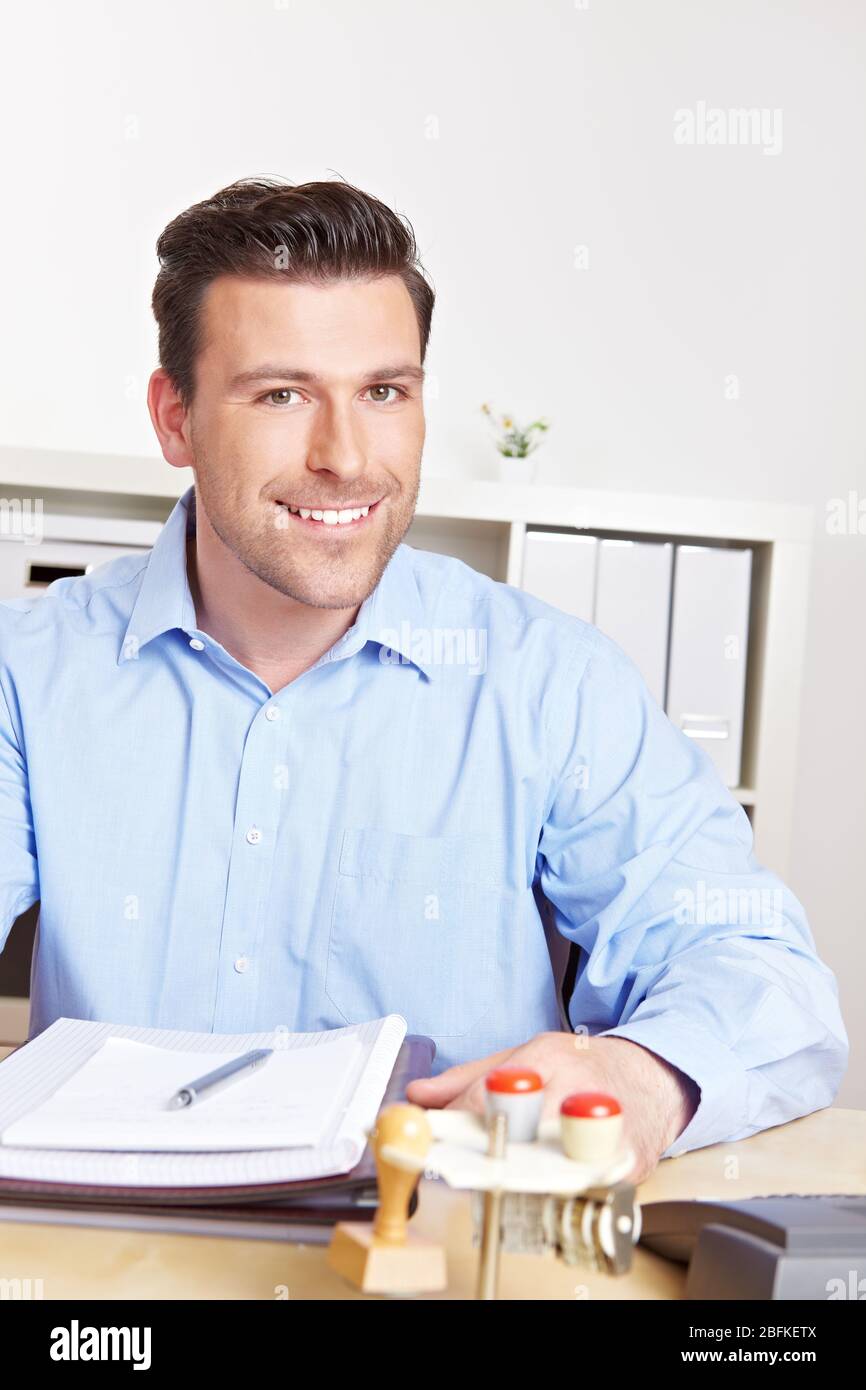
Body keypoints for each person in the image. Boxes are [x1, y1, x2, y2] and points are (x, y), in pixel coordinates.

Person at [0, 178, 847, 1182]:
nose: (346, 457)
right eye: (281, 394)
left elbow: (762, 975)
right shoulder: (29, 671)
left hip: (433, 1263)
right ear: (174, 418)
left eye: (384, 392)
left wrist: (639, 1077)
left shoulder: (549, 685)